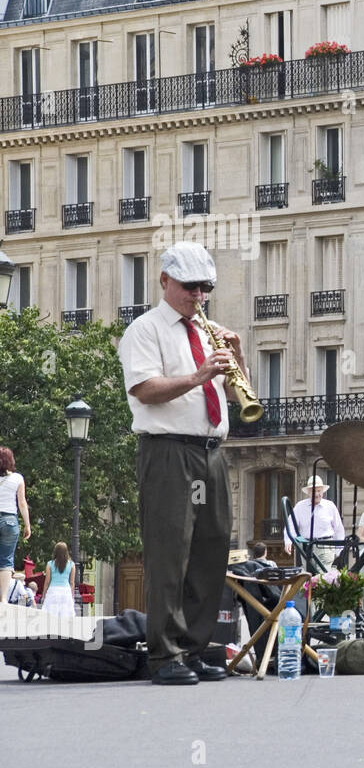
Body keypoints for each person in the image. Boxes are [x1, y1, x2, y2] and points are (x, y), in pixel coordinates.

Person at [118, 241, 242, 685]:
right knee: (170, 552)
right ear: (165, 281)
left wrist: (237, 361)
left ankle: (194, 648)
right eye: (191, 286)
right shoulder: (145, 330)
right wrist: (201, 373)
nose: (199, 296)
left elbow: (229, 396)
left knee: (210, 550)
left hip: (211, 450)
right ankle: (165, 655)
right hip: (169, 450)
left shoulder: (205, 330)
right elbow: (146, 389)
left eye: (206, 287)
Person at [285, 476, 346, 569]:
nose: (317, 494)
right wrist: (288, 541)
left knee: (322, 577)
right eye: (314, 491)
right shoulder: (300, 506)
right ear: (308, 492)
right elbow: (291, 525)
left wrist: (338, 551)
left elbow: (338, 529)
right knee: (309, 578)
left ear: (323, 491)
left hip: (325, 546)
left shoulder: (330, 506)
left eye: (319, 490)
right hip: (306, 546)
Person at [0, 447, 32, 598]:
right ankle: (3, 599)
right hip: (10, 521)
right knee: (6, 561)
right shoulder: (18, 478)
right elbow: (22, 503)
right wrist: (27, 525)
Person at [41, 542, 77, 618]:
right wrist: (72, 596)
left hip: (53, 590)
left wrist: (44, 595)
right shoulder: (71, 564)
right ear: (66, 551)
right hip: (66, 591)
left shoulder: (50, 564)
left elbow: (47, 582)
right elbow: (72, 582)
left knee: (50, 616)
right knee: (65, 616)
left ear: (55, 552)